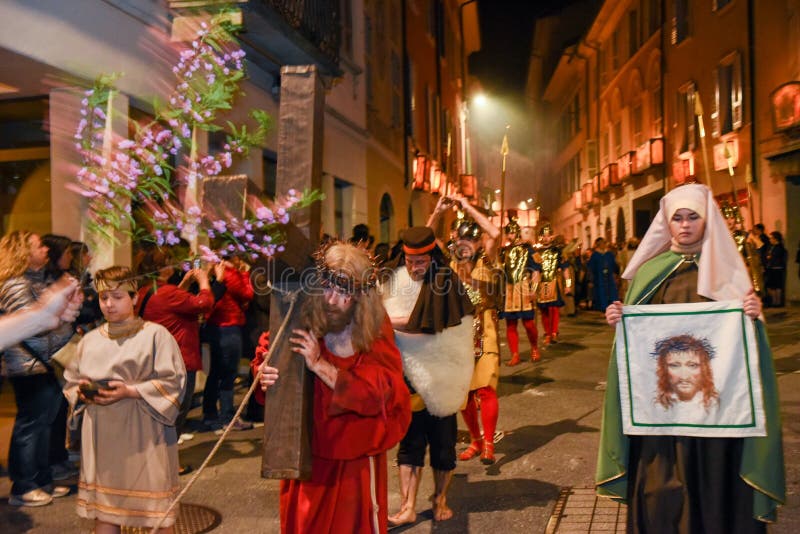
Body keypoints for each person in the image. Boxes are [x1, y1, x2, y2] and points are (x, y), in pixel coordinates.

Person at [597, 183, 785, 532]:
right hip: (663, 414)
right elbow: (638, 344)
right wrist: (619, 319)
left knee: (715, 480)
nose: (684, 225)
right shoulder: (650, 273)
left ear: (706, 220)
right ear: (666, 224)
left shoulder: (729, 272)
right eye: (677, 218)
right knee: (660, 484)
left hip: (717, 414)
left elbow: (746, 348)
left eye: (693, 217)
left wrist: (753, 316)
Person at [259, 242, 411, 533]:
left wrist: (323, 367)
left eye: (343, 292)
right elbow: (270, 350)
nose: (331, 299)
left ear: (360, 296)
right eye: (326, 287)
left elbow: (385, 392)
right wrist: (264, 374)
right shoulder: (302, 316)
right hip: (306, 459)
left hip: (353, 465)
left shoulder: (375, 327)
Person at [63, 266, 186, 533]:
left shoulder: (156, 335)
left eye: (117, 296)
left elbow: (173, 381)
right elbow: (71, 381)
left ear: (134, 298)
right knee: (106, 511)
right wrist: (83, 390)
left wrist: (131, 391)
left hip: (144, 431)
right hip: (102, 434)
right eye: (103, 297)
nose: (109, 304)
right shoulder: (89, 340)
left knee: (157, 511)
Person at [382, 226, 474, 525]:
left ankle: (440, 498)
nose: (414, 267)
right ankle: (407, 506)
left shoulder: (446, 281)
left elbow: (426, 324)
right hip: (406, 374)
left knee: (443, 445)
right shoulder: (395, 278)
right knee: (409, 443)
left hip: (441, 376)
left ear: (432, 256)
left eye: (420, 261)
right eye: (409, 260)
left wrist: (384, 321)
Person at [0, 230, 74, 506]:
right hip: (27, 366)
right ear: (22, 251)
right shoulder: (16, 285)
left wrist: (64, 319)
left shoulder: (32, 282)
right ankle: (24, 484)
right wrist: (60, 324)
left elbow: (48, 326)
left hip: (38, 363)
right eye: (38, 245)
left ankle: (41, 479)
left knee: (44, 423)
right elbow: (32, 332)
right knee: (31, 426)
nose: (45, 249)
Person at [428, 196, 502, 465]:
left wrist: (467, 207)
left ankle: (489, 444)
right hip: (458, 335)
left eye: (471, 240)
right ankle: (475, 439)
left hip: (486, 330)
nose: (466, 245)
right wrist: (438, 211)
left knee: (486, 389)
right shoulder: (449, 266)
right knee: (465, 395)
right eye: (461, 240)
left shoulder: (488, 262)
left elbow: (494, 232)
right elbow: (423, 240)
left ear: (478, 243)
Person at [135, 249, 224, 462]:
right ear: (163, 267)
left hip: (158, 358)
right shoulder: (166, 293)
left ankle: (157, 460)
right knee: (175, 413)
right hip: (179, 358)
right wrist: (207, 280)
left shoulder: (146, 290)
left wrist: (183, 285)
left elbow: (170, 306)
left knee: (162, 412)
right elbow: (204, 304)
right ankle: (167, 463)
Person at [202, 253, 254, 430]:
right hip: (228, 326)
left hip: (215, 326)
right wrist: (246, 275)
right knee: (228, 374)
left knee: (215, 372)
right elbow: (247, 293)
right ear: (236, 257)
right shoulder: (230, 273)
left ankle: (210, 414)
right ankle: (227, 417)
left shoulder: (214, 272)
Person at [498, 217, 540, 365]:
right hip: (509, 289)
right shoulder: (504, 251)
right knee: (511, 324)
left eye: (511, 233)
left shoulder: (528, 249)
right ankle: (515, 354)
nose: (509, 236)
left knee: (528, 323)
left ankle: (534, 347)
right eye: (507, 233)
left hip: (523, 288)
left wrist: (534, 289)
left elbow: (536, 271)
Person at [652, 334, 719, 412]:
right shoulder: (655, 407)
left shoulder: (716, 406)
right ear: (664, 370)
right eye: (674, 365)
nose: (684, 376)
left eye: (692, 365)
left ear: (704, 370)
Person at [533, 225, 572, 345]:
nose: (545, 238)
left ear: (551, 236)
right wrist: (533, 289)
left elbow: (565, 269)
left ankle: (554, 332)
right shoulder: (536, 253)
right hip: (542, 285)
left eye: (548, 235)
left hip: (553, 283)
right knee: (544, 310)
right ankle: (548, 333)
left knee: (554, 309)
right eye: (543, 236)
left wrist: (568, 285)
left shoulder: (558, 251)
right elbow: (535, 272)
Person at [722, 202, 764, 297]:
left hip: (741, 273)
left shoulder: (743, 235)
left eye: (731, 218)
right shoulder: (718, 236)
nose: (729, 221)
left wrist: (751, 238)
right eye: (726, 218)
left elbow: (759, 245)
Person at [587, 237, 619, 311]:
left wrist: (616, 274)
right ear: (598, 244)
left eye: (604, 243)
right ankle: (603, 307)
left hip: (609, 277)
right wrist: (590, 279)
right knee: (601, 292)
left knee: (611, 291)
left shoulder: (609, 254)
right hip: (599, 278)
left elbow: (614, 265)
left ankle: (612, 305)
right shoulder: (595, 255)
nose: (603, 244)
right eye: (601, 243)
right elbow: (590, 268)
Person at [764, 231, 787, 307]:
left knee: (776, 286)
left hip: (776, 269)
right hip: (772, 268)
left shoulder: (779, 248)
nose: (770, 240)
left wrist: (770, 258)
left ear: (775, 239)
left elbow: (776, 258)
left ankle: (777, 302)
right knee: (772, 286)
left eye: (771, 238)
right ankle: (774, 301)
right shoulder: (772, 247)